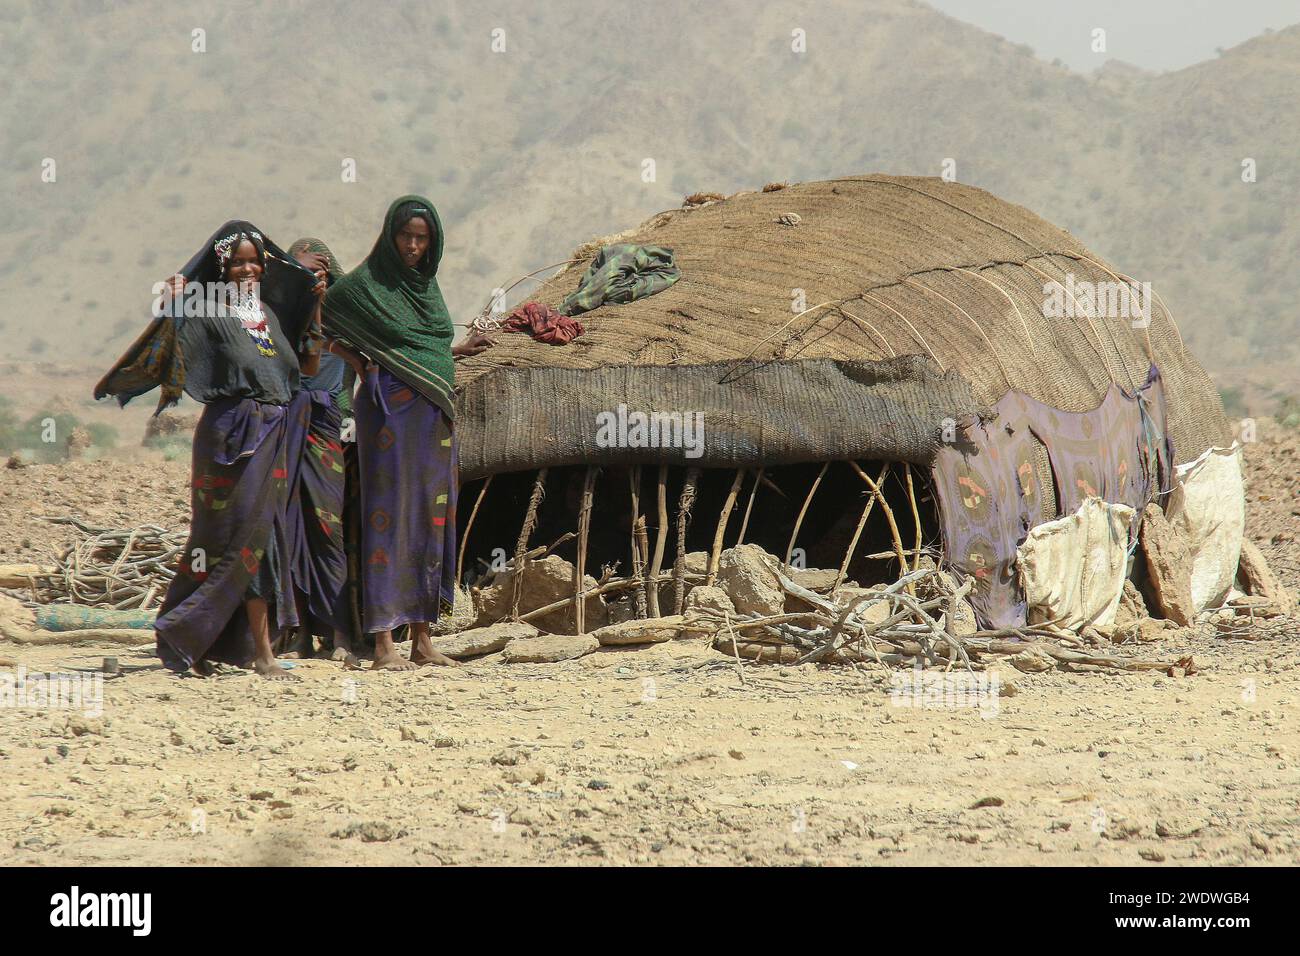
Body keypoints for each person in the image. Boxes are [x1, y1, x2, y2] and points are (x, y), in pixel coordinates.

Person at [95, 221, 321, 679]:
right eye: (236, 261)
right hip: (231, 438)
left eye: (253, 259)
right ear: (222, 266)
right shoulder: (209, 311)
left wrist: (314, 305)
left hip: (272, 433)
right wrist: (173, 301)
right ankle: (190, 634)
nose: (247, 268)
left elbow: (308, 364)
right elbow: (172, 338)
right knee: (223, 540)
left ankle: (253, 649)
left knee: (262, 537)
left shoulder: (271, 318)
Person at [322, 195, 492, 670]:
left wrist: (454, 352)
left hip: (432, 416)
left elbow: (418, 350)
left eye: (423, 238)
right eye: (406, 236)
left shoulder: (426, 288)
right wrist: (354, 359)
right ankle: (383, 644)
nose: (414, 246)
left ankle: (422, 638)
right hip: (388, 417)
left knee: (430, 518)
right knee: (388, 515)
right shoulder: (366, 285)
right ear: (390, 236)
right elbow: (321, 318)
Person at [279, 238, 356, 665]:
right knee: (292, 532)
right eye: (304, 273)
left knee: (329, 531)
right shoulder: (281, 321)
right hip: (286, 428)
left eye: (320, 273)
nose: (313, 281)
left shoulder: (347, 322)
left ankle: (341, 633)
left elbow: (386, 349)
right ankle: (301, 633)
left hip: (332, 430)